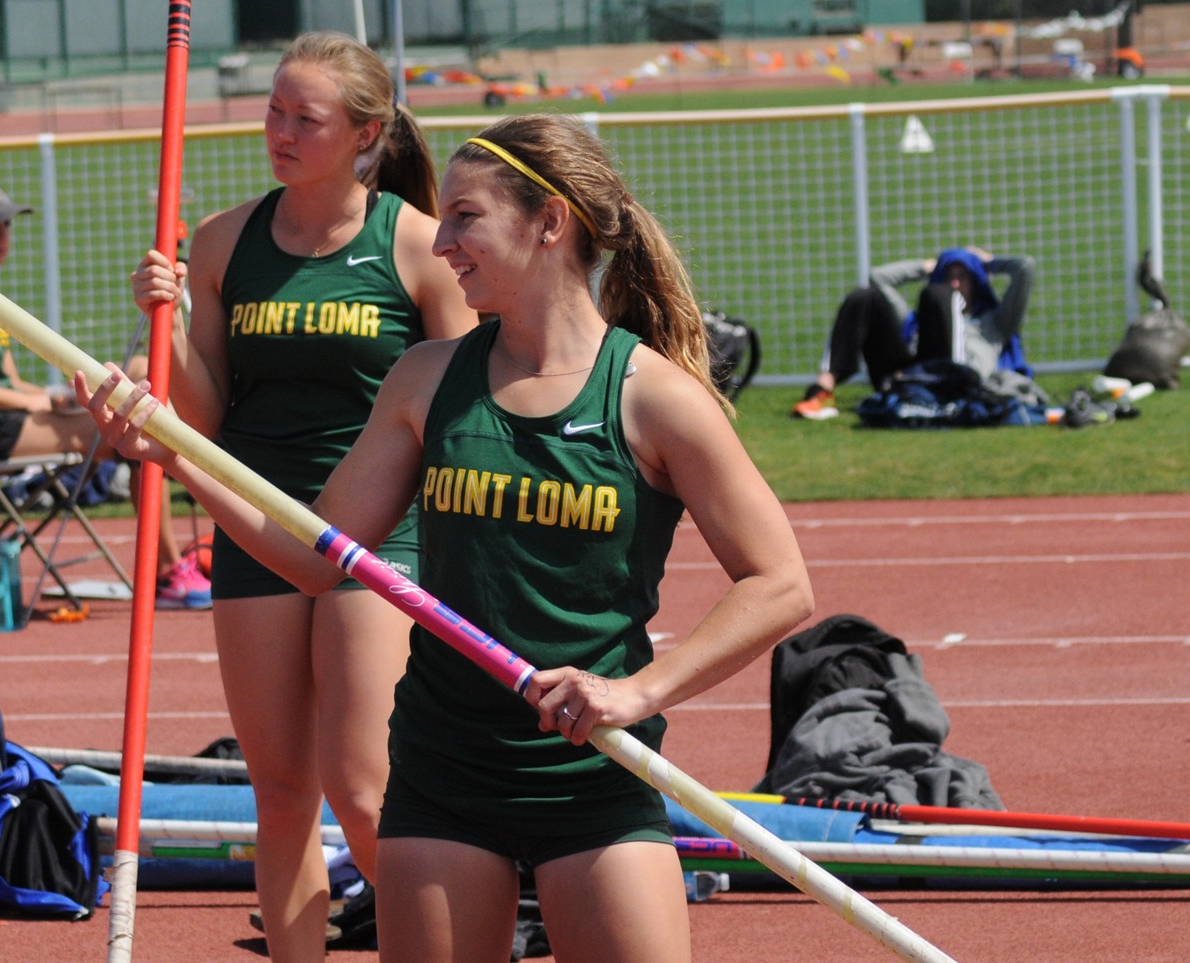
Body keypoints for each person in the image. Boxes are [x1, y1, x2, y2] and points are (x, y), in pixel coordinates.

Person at [85, 113, 813, 963]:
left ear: (550, 223)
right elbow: (314, 558)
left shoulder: (651, 396)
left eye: (467, 217)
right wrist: (175, 451)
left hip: (593, 776)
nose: (444, 243)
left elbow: (780, 582)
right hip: (443, 776)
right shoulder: (426, 379)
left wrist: (638, 692)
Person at [127, 30, 474, 960]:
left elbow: (466, 394)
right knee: (280, 794)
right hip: (254, 519)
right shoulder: (222, 241)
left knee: (366, 787)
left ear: (365, 133)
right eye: (273, 110)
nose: (279, 130)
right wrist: (173, 324)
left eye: (304, 118)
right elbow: (202, 409)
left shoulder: (415, 242)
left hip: (379, 531)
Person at [0, 181, 209, 606]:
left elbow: (9, 378)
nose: (3, 237)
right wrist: (33, 402)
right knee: (141, 433)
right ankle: (168, 572)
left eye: (6, 226)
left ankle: (176, 547)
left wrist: (53, 395)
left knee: (140, 373)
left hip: (14, 417)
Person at [793, 246, 1037, 419]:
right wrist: (927, 268)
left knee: (937, 296)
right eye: (948, 276)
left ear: (976, 282)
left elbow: (1025, 267)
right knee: (864, 297)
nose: (954, 283)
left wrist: (989, 263)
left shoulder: (995, 322)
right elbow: (877, 278)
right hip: (906, 374)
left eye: (962, 277)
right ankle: (823, 390)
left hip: (953, 383)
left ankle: (942, 386)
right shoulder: (915, 321)